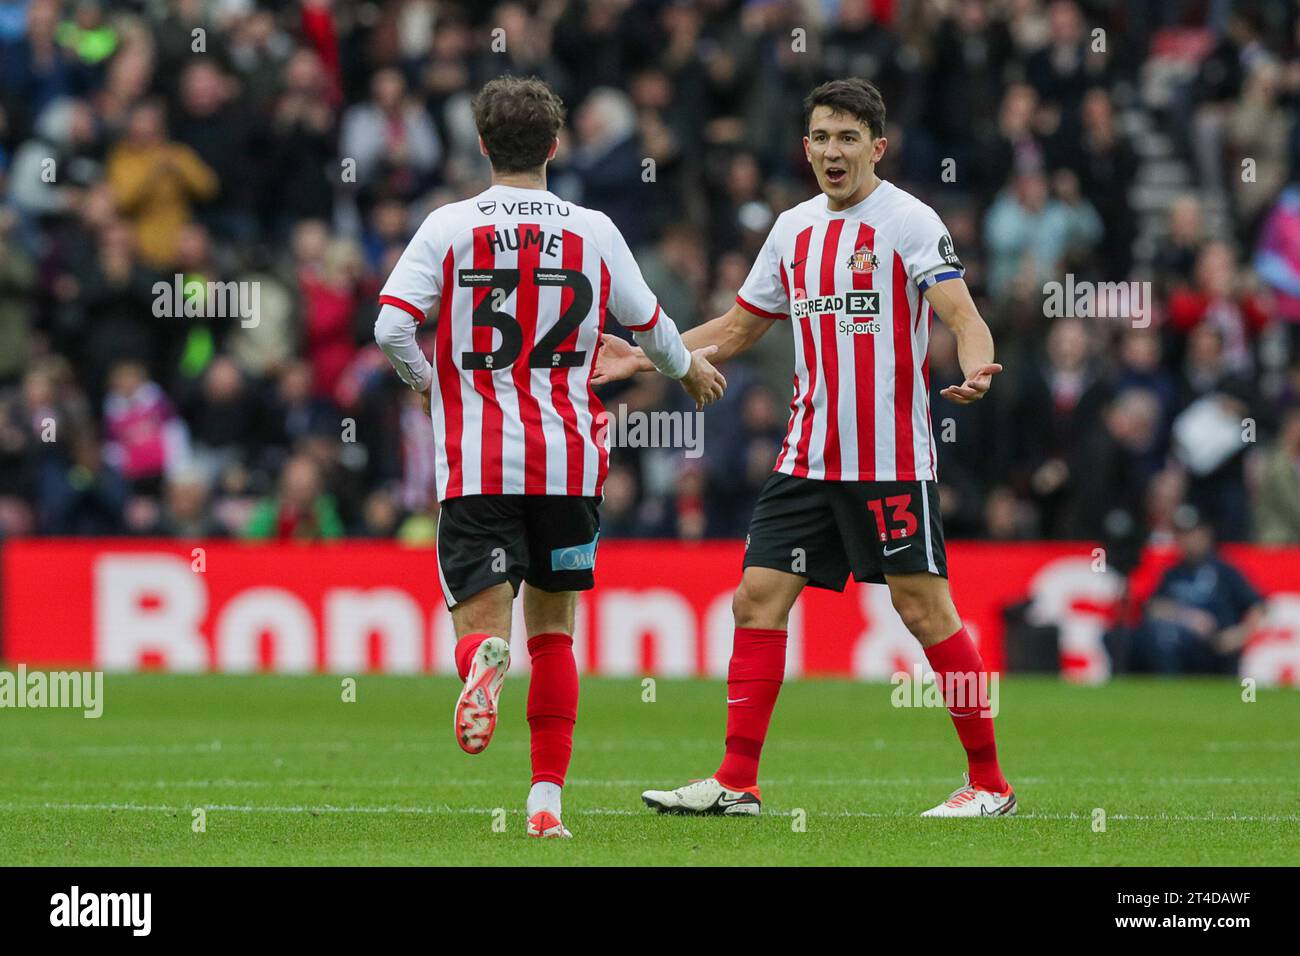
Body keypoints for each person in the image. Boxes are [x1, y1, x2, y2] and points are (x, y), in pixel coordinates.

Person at [596, 78, 1015, 818]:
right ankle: (736, 782)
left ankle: (989, 784)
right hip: (806, 459)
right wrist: (644, 356)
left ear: (876, 149)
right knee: (756, 599)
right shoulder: (791, 229)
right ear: (806, 146)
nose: (832, 151)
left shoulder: (910, 221)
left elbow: (961, 312)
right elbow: (737, 329)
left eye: (848, 138)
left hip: (888, 462)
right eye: (821, 137)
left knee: (925, 612)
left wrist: (976, 362)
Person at [373, 75, 725, 839]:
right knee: (555, 633)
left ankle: (480, 660)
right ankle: (545, 808)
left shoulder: (447, 227)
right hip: (569, 460)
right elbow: (654, 324)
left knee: (480, 624)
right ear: (557, 148)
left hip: (478, 460)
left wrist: (432, 387)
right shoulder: (593, 229)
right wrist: (686, 368)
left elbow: (391, 328)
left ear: (480, 146)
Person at [1129, 507, 1264, 675]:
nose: (1188, 540)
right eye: (1182, 535)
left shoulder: (1224, 570)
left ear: (1206, 534)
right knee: (1152, 637)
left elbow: (1256, 606)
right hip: (1178, 642)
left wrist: (1237, 636)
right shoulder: (1172, 573)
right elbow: (1154, 607)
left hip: (1214, 647)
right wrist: (1188, 617)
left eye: (1193, 533)